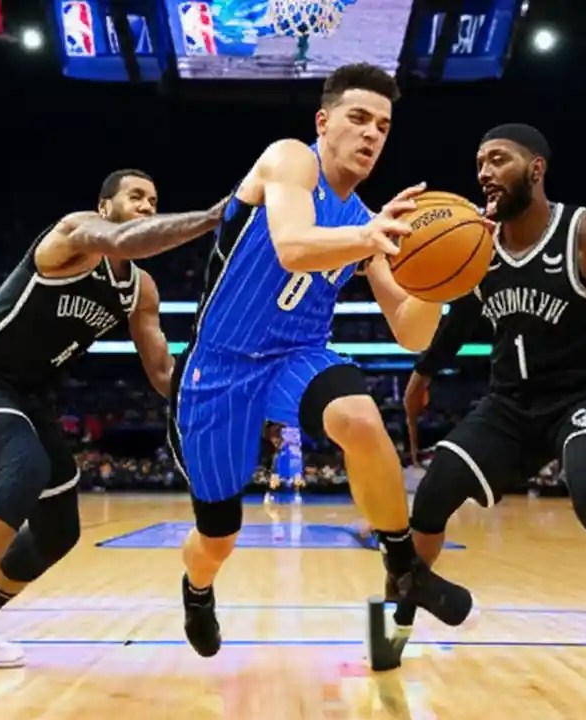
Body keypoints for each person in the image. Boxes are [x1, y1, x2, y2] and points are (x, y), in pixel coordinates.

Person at [0, 169, 226, 715]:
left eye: (154, 200)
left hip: (31, 399)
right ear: (104, 205)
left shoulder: (142, 289)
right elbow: (120, 241)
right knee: (22, 469)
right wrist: (214, 217)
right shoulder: (75, 235)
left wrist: (219, 385)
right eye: (136, 196)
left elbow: (163, 372)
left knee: (58, 530)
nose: (146, 206)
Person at [169, 62, 474, 660]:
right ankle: (197, 590)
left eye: (383, 127)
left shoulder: (366, 221)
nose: (370, 135)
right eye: (358, 119)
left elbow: (411, 333)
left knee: (359, 417)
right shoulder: (290, 159)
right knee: (218, 536)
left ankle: (403, 564)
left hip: (297, 355)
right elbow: (292, 245)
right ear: (323, 121)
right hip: (220, 366)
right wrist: (371, 238)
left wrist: (445, 280)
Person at [401, 124, 586, 718]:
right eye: (479, 162)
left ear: (535, 168)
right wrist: (422, 375)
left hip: (583, 400)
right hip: (509, 405)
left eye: (498, 160)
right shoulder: (476, 244)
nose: (485, 172)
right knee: (432, 497)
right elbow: (460, 318)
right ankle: (402, 613)